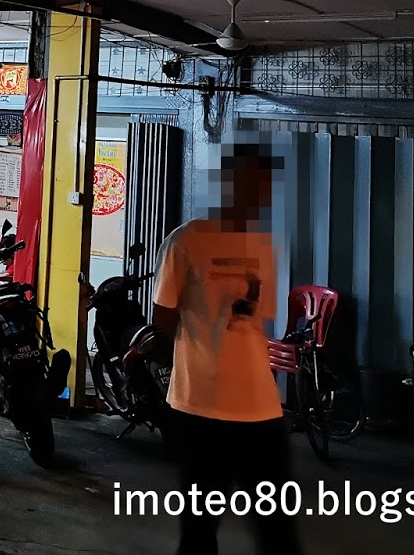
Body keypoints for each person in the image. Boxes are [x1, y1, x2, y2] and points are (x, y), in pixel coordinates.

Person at [152, 143, 298, 555]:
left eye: (266, 186)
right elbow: (163, 320)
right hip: (200, 410)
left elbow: (252, 323)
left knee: (277, 531)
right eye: (252, 182)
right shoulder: (187, 241)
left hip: (261, 408)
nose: (260, 194)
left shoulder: (263, 245)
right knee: (199, 532)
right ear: (229, 183)